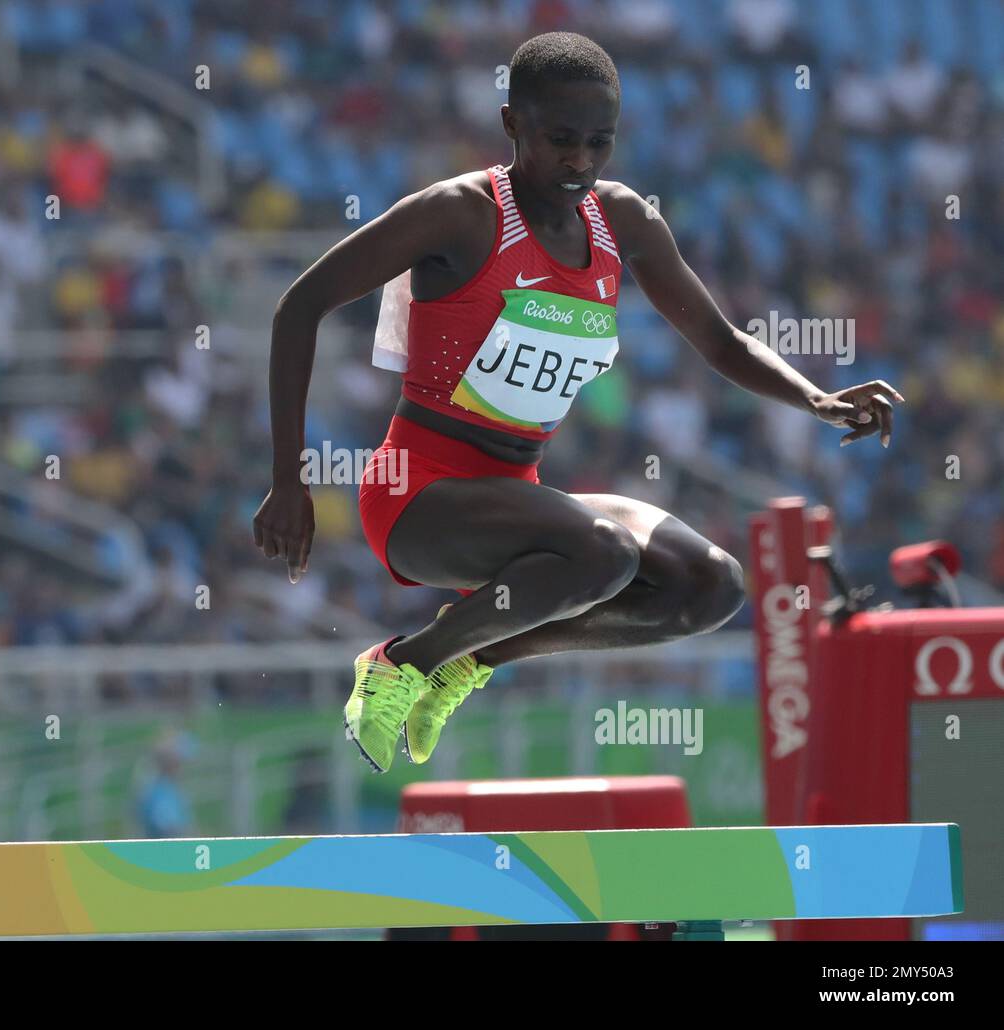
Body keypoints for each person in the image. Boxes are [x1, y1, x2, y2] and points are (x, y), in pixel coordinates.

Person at [253, 33, 902, 773]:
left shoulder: (622, 222)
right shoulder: (459, 214)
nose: (582, 163)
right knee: (605, 552)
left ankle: (471, 655)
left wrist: (817, 399)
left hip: (520, 501)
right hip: (417, 496)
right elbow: (297, 307)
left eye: (600, 142)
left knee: (710, 586)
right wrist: (287, 479)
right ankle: (404, 660)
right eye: (561, 141)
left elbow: (720, 342)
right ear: (511, 125)